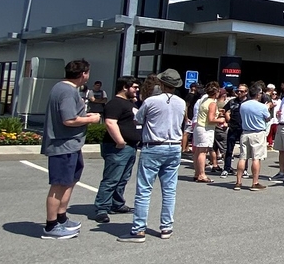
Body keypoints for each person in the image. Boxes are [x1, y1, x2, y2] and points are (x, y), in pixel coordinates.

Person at [120, 69, 186, 243]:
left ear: (162, 84)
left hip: (154, 146)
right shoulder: (181, 102)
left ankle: (139, 229)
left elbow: (138, 120)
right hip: (173, 146)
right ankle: (166, 226)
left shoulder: (151, 101)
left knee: (144, 190)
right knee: (169, 190)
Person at [40, 59, 102, 240]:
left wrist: (84, 116)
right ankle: (51, 226)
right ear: (84, 74)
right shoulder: (67, 91)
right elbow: (68, 120)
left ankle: (61, 218)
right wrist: (91, 119)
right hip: (62, 145)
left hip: (71, 145)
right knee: (59, 185)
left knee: (69, 182)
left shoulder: (64, 88)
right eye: (88, 73)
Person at [94, 76, 141, 223]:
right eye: (134, 87)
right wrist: (120, 141)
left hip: (131, 146)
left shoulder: (129, 103)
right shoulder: (115, 103)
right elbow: (110, 123)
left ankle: (117, 203)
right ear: (125, 87)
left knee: (122, 179)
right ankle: (102, 208)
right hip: (118, 147)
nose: (137, 90)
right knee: (112, 178)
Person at [234, 84, 272, 191]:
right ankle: (255, 182)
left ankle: (238, 182)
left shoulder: (243, 105)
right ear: (258, 94)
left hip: (245, 132)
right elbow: (268, 118)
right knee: (256, 158)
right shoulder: (262, 106)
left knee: (243, 157)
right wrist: (267, 108)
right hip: (257, 133)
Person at [190, 83, 219, 183]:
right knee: (203, 152)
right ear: (216, 93)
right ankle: (202, 174)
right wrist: (220, 120)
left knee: (197, 151)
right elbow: (211, 119)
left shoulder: (203, 100)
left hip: (199, 126)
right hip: (206, 128)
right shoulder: (212, 103)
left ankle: (197, 173)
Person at [221, 84, 247, 176]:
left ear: (246, 92)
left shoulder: (248, 103)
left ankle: (244, 169)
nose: (239, 92)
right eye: (238, 91)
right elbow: (223, 111)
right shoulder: (232, 102)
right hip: (233, 127)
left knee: (244, 151)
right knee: (229, 149)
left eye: (242, 91)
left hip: (244, 128)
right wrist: (225, 120)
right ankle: (226, 169)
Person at [210, 86, 229, 173]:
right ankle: (227, 167)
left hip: (213, 127)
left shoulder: (213, 103)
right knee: (224, 148)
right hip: (221, 128)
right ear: (224, 95)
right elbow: (227, 116)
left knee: (214, 148)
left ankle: (214, 165)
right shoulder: (224, 105)